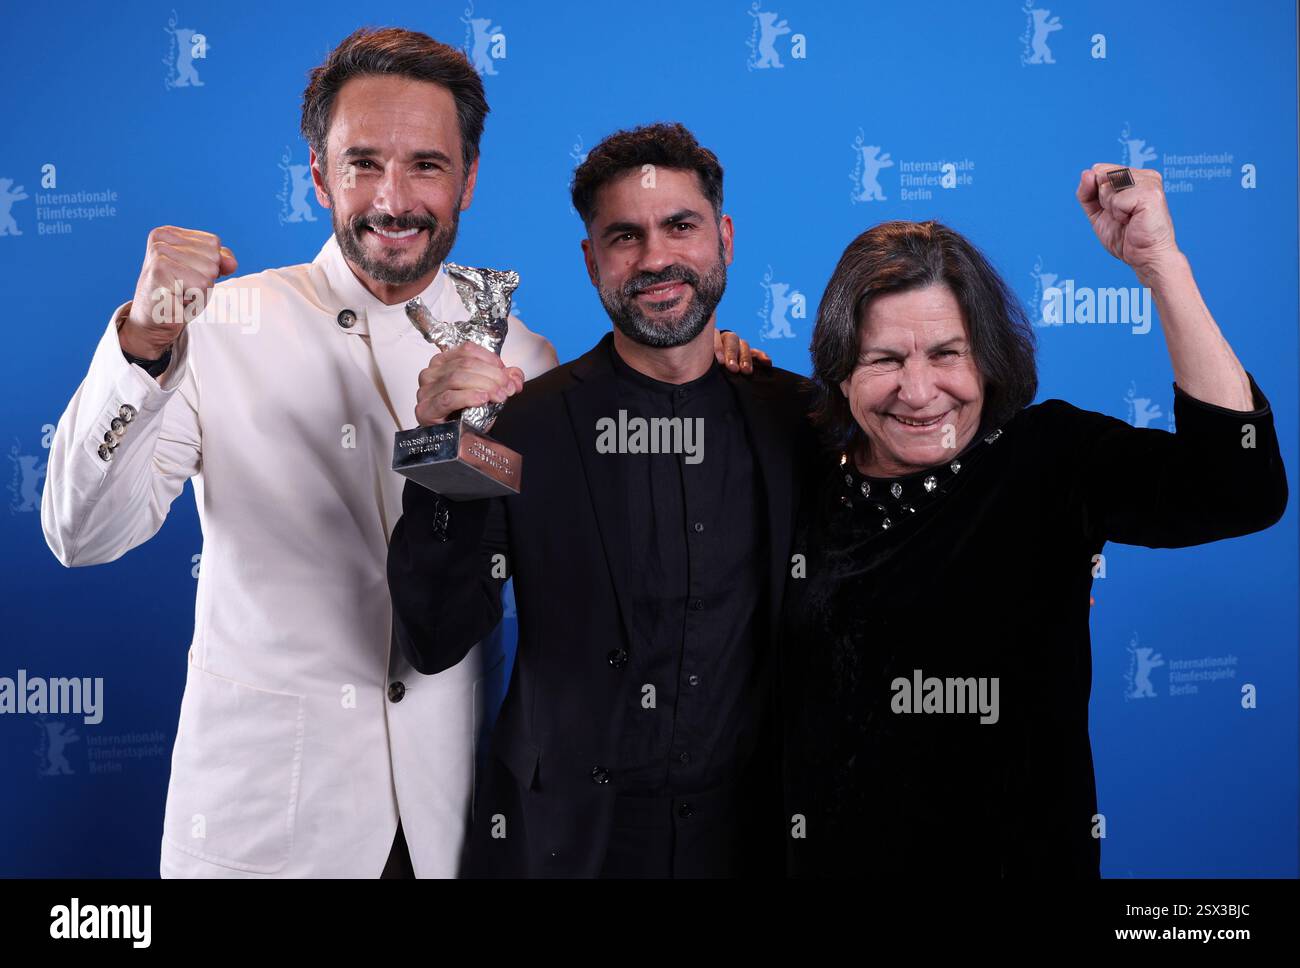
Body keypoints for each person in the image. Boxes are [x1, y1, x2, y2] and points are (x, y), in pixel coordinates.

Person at [39, 27, 562, 878]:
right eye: (362, 164)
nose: (393, 199)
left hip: (452, 830)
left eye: (426, 165)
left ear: (468, 176)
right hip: (266, 835)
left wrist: (709, 373)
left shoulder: (527, 361)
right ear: (318, 176)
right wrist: (144, 342)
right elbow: (80, 534)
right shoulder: (215, 326)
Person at [782, 165, 1288, 877]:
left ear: (987, 360)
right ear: (839, 370)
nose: (920, 391)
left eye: (948, 354)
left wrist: (1161, 267)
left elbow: (1240, 486)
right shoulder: (798, 469)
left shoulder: (1050, 459)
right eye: (885, 360)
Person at [387, 122, 812, 877]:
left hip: (755, 842)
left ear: (725, 237)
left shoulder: (798, 419)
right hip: (567, 845)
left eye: (680, 226)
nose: (656, 258)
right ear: (591, 262)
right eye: (625, 236)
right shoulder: (523, 424)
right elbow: (436, 636)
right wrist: (439, 454)